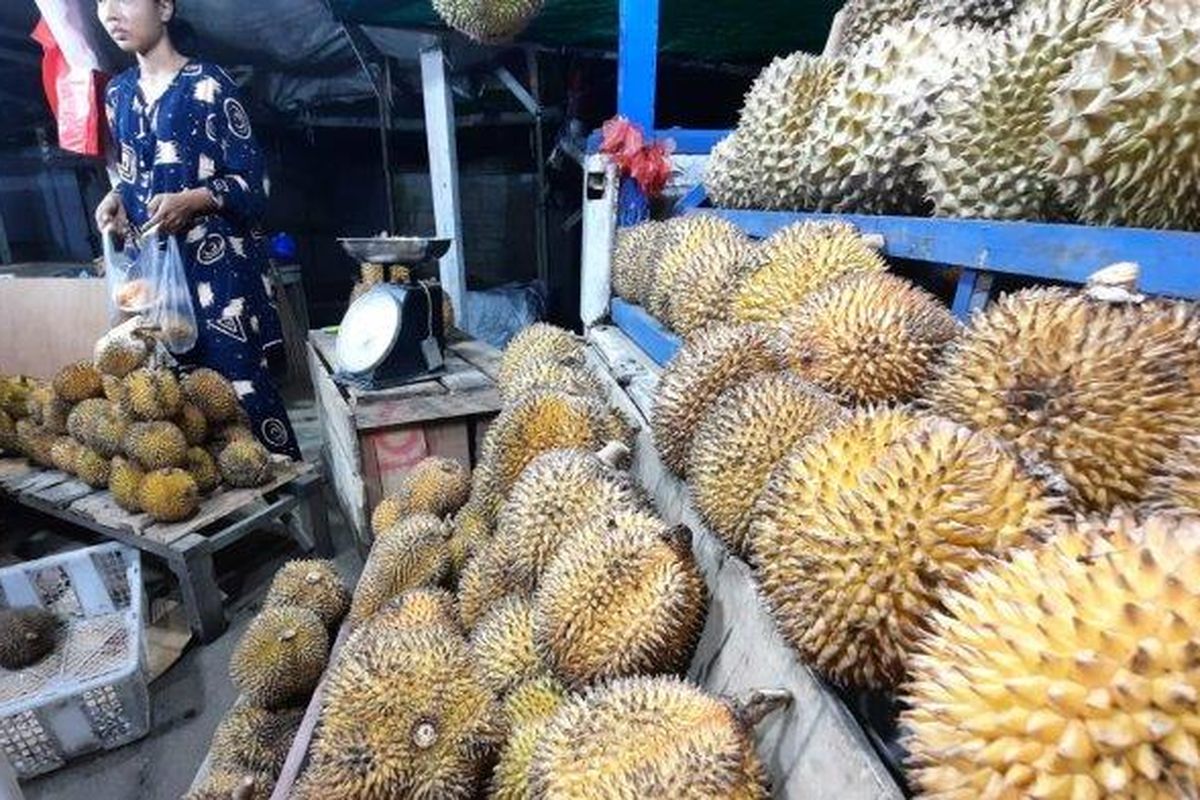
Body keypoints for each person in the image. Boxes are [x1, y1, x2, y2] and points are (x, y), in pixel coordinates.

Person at [95, 0, 301, 460]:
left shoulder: (209, 85)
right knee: (177, 408)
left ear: (164, 7)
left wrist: (196, 200)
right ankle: (231, 522)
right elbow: (130, 175)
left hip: (220, 277)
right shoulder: (117, 94)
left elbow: (255, 184)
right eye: (100, 1)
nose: (110, 12)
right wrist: (115, 200)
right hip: (156, 282)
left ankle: (291, 509)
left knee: (243, 396)